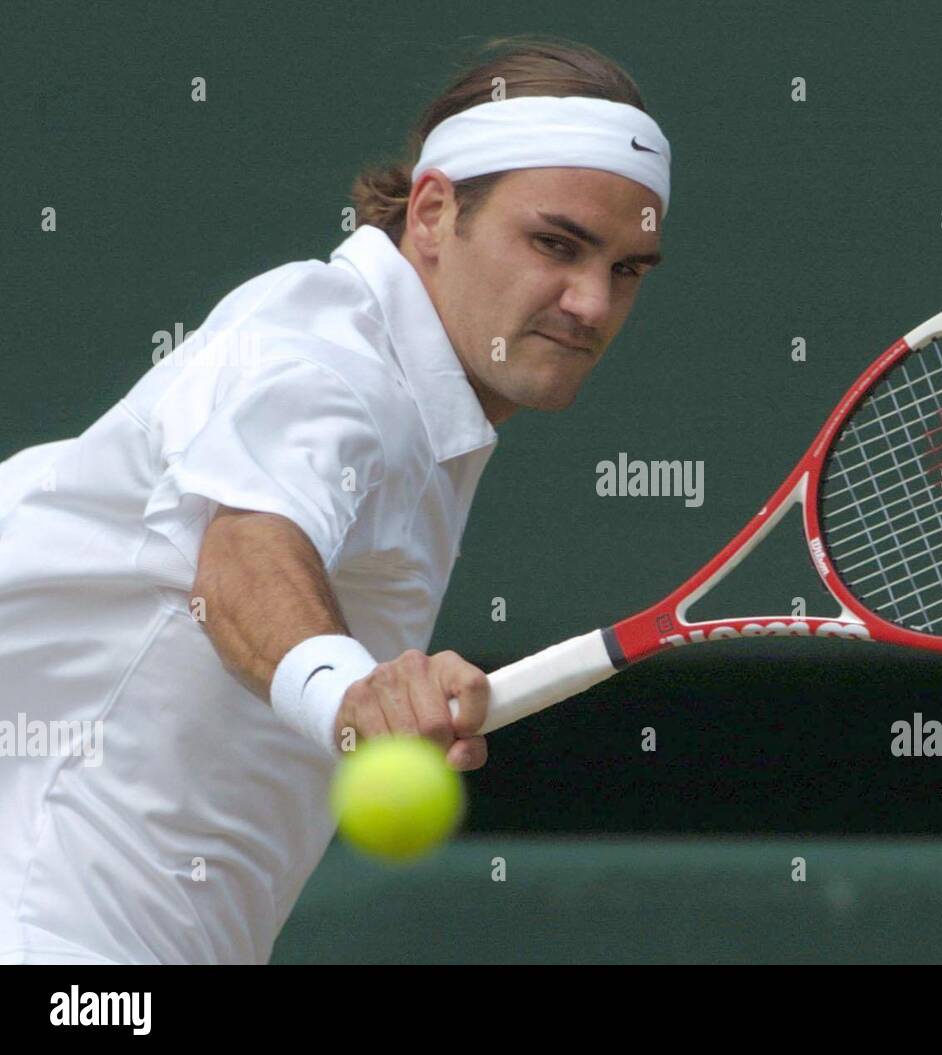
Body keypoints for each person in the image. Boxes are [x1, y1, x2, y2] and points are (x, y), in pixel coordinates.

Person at [0, 35, 670, 964]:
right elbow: (242, 555)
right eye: (557, 244)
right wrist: (350, 690)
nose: (592, 302)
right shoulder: (324, 355)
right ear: (434, 212)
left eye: (628, 268)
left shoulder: (431, 408)